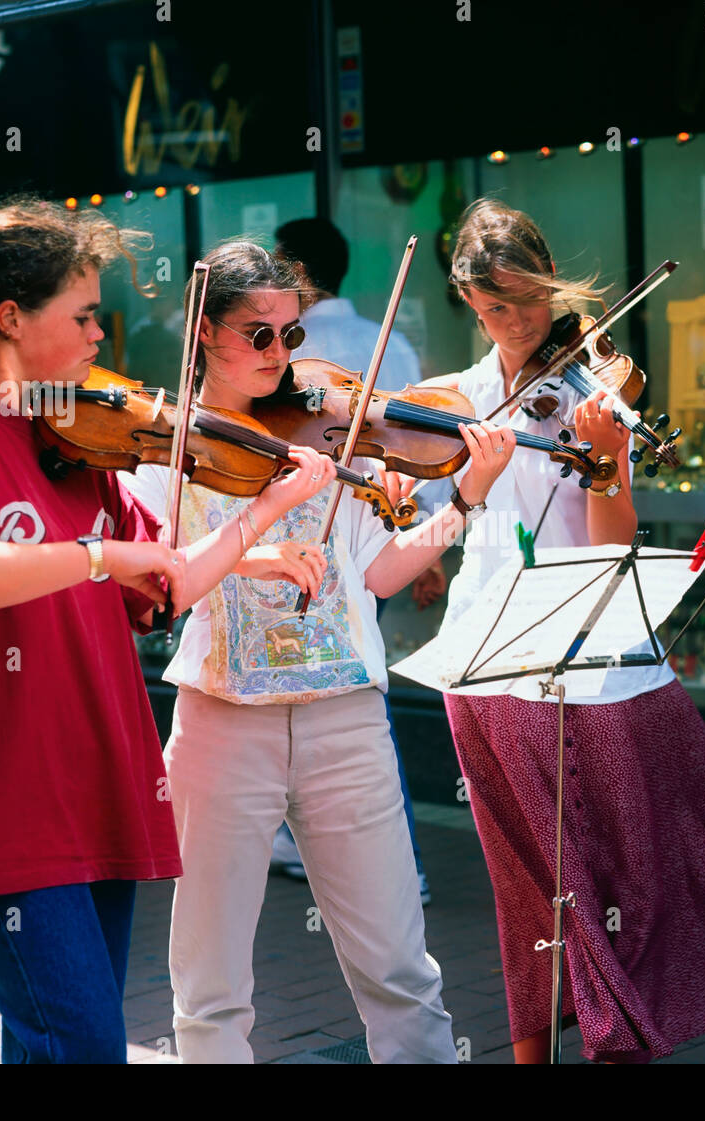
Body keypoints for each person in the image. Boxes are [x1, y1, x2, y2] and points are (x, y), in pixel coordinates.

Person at [0, 199, 332, 1063]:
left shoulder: (78, 434)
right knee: (84, 1046)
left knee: (53, 1046)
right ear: (12, 317)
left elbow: (163, 573)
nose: (101, 335)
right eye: (84, 315)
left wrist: (259, 527)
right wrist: (95, 553)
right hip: (3, 801)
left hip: (95, 783)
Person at [406, 198, 705, 1065]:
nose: (518, 323)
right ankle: (555, 1048)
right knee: (526, 886)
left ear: (553, 286)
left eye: (529, 302)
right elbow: (431, 521)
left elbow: (613, 541)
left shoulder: (598, 386)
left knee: (632, 873)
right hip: (484, 663)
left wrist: (606, 456)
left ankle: (622, 1038)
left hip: (589, 661)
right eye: (495, 308)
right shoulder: (455, 402)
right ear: (467, 302)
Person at [121, 237, 517, 1063]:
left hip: (346, 722)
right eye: (257, 334)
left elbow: (378, 571)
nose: (281, 355)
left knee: (402, 972)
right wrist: (258, 530)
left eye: (290, 334)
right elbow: (165, 591)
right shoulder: (165, 445)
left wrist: (466, 503)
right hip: (222, 722)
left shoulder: (327, 424)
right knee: (210, 988)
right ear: (204, 332)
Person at [270, 217, 440, 901]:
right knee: (348, 686)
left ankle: (400, 867)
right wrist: (422, 543)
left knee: (338, 694)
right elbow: (422, 450)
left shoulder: (282, 346)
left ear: (297, 272)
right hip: (378, 529)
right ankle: (303, 840)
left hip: (309, 541)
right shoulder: (389, 341)